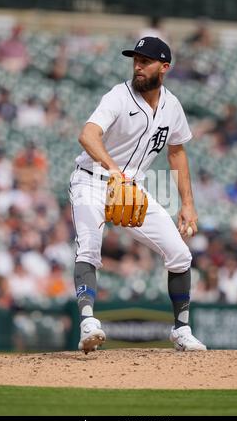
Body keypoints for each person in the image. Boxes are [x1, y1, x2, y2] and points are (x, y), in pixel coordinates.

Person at [69, 36, 207, 353]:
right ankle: (88, 322)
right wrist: (113, 169)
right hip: (91, 181)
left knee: (181, 255)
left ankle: (182, 330)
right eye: (135, 59)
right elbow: (87, 135)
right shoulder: (118, 96)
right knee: (88, 249)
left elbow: (177, 152)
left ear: (165, 67)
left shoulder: (172, 106)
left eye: (146, 60)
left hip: (132, 189)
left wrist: (187, 204)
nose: (138, 65)